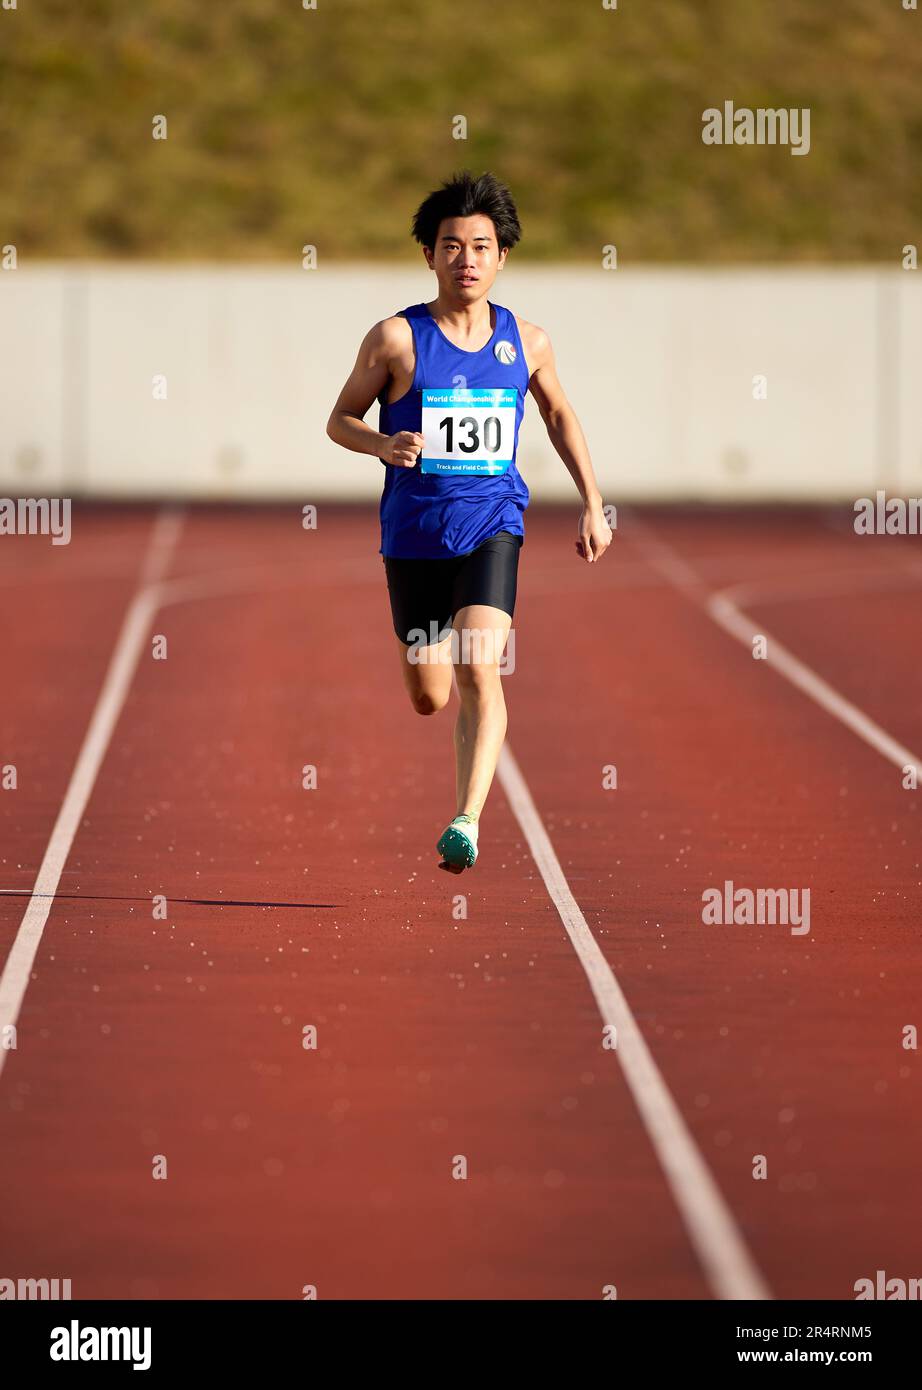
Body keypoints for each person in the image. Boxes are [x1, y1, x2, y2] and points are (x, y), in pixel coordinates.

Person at [326, 170, 611, 873]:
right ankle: (430, 679)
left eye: (481, 246)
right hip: (414, 537)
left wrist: (593, 501)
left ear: (502, 256)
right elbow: (339, 420)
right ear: (429, 255)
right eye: (452, 246)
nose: (467, 260)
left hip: (493, 523)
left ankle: (466, 819)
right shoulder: (397, 339)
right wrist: (383, 445)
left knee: (481, 667)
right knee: (430, 695)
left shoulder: (528, 341)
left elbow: (557, 414)